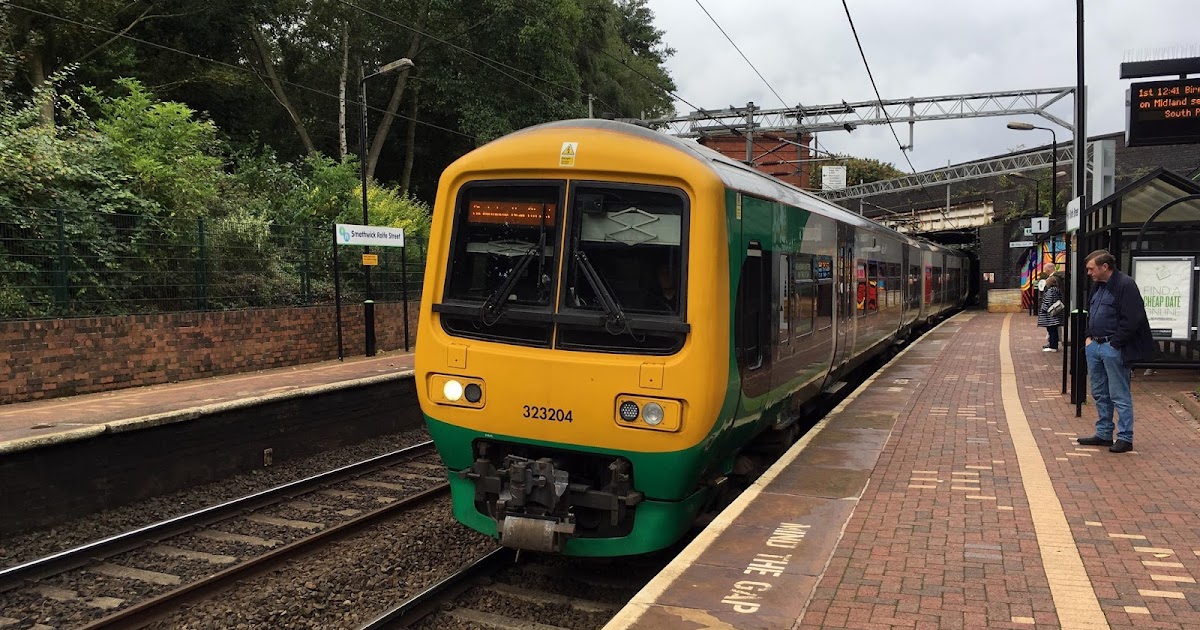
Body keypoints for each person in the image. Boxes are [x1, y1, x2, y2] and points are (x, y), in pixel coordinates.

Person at [1076, 249, 1155, 453]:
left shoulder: (1125, 285)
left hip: (1112, 347)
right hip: (1095, 345)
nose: (1089, 273)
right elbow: (1091, 312)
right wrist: (1088, 337)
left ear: (1105, 267)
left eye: (1091, 269)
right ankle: (1104, 433)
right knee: (1099, 392)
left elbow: (1133, 318)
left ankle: (1125, 437)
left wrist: (1115, 343)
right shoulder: (1099, 285)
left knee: (1119, 393)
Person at [1037, 273, 1064, 351]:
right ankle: (1052, 344)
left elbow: (1047, 302)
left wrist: (1043, 309)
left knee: (1052, 330)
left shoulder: (1050, 291)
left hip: (1050, 315)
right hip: (1055, 314)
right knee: (1053, 330)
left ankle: (1053, 346)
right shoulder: (1057, 290)